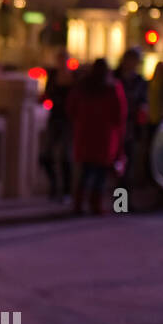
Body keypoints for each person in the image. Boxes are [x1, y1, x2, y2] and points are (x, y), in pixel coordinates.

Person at [68, 58, 127, 215]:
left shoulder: (83, 87)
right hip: (105, 137)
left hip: (85, 135)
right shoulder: (113, 88)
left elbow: (71, 108)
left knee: (85, 172)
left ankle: (79, 204)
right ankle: (98, 205)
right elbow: (120, 114)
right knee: (100, 174)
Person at [39, 49, 75, 201]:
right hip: (54, 119)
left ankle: (67, 190)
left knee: (66, 156)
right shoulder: (52, 76)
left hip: (68, 120)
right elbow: (47, 95)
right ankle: (54, 186)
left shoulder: (74, 78)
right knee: (46, 155)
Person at [114, 47, 149, 188]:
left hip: (131, 127)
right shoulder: (115, 78)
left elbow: (143, 101)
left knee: (127, 165)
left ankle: (122, 203)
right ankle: (117, 201)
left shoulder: (139, 81)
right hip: (115, 126)